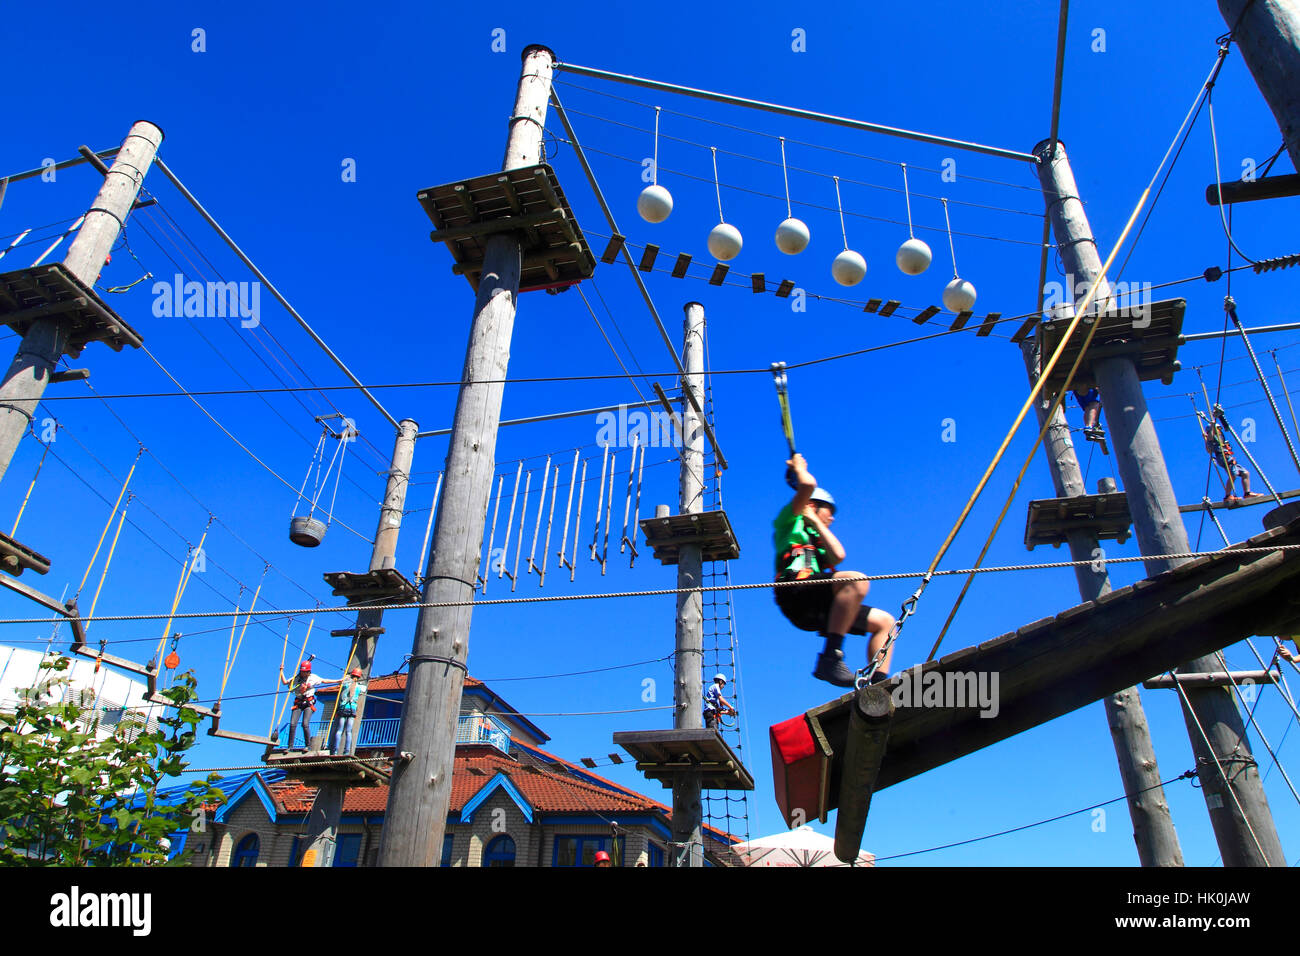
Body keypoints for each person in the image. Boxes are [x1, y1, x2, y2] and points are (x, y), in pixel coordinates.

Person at [774, 453, 896, 688]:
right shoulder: (789, 521)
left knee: (885, 622)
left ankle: (880, 686)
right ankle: (830, 658)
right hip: (796, 593)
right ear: (811, 505)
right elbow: (807, 485)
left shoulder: (818, 538)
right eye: (828, 511)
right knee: (856, 581)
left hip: (819, 604)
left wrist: (815, 521)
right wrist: (799, 469)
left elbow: (839, 555)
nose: (832, 518)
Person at [279, 660, 342, 751]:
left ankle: (307, 745)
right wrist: (281, 671)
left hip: (309, 702)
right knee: (292, 724)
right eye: (302, 671)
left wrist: (337, 681)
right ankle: (290, 746)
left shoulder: (313, 678)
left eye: (305, 672)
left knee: (305, 724)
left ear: (308, 672)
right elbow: (285, 682)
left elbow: (324, 680)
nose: (303, 673)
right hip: (299, 702)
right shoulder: (297, 678)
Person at [1202, 418, 1258, 500]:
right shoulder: (1212, 438)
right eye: (1218, 429)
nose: (1220, 431)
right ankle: (1227, 495)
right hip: (1222, 457)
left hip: (1228, 457)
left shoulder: (1220, 438)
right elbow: (1210, 438)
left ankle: (1247, 493)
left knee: (1245, 473)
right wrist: (1213, 426)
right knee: (1233, 475)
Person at [331, 667, 365, 755]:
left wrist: (347, 676)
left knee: (339, 730)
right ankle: (347, 751)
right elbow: (364, 689)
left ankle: (335, 750)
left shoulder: (346, 684)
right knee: (348, 731)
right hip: (352, 708)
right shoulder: (359, 687)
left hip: (343, 708)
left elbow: (342, 682)